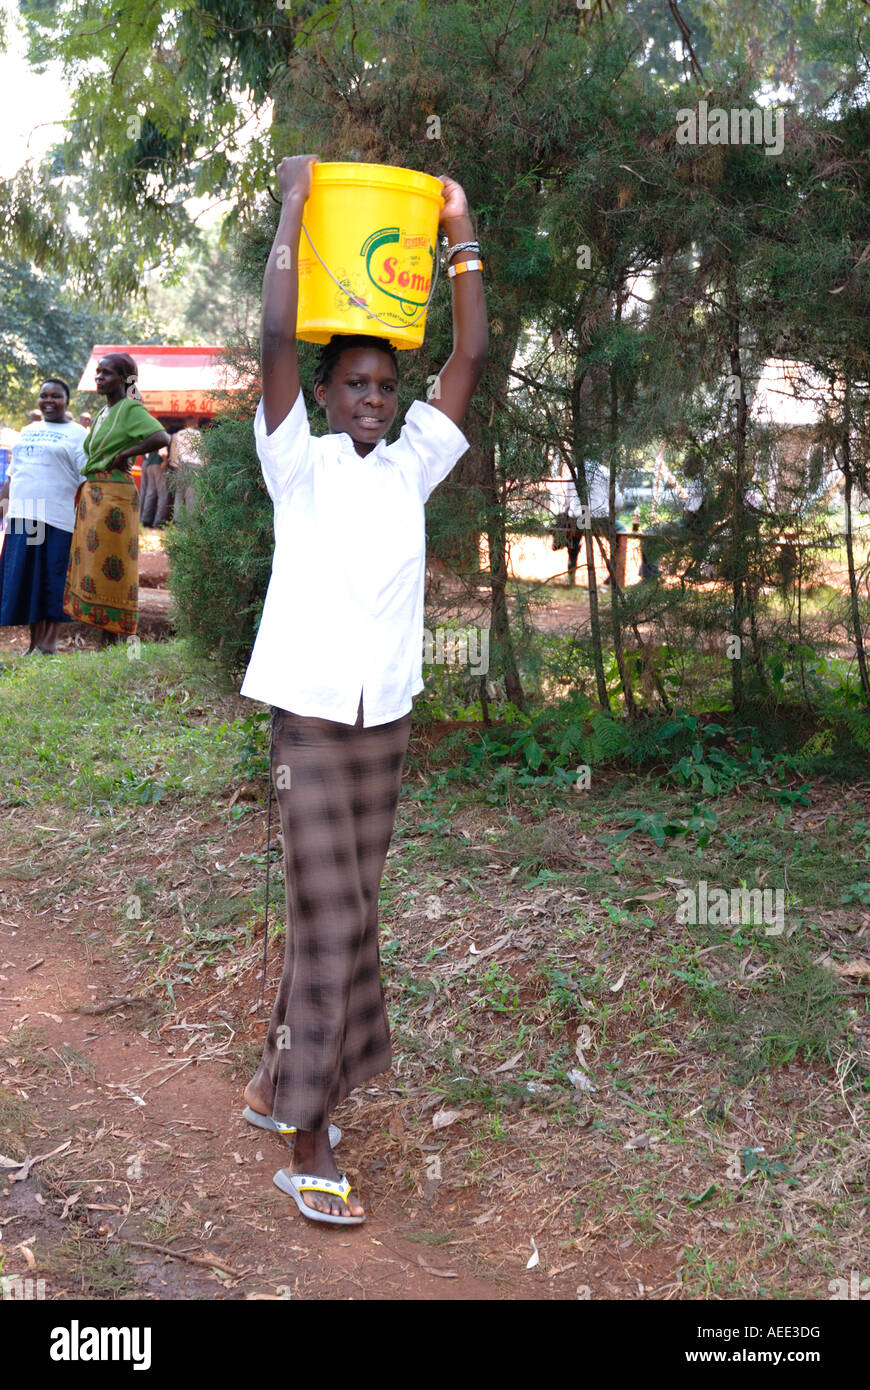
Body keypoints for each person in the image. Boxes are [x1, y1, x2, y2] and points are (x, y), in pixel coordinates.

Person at [240, 153, 487, 1226]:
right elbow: (271, 341)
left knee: (345, 914)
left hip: (383, 723)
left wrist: (460, 231)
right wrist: (296, 206)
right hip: (307, 720)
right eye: (355, 385)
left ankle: (273, 1079)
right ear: (325, 392)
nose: (374, 400)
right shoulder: (297, 461)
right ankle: (310, 1132)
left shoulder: (414, 460)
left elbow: (471, 350)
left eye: (387, 384)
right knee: (333, 921)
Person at [63, 353, 169, 640]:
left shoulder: (130, 409)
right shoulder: (102, 413)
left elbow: (162, 438)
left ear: (124, 380)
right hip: (95, 495)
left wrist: (124, 454)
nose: (99, 378)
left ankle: (113, 636)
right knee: (94, 563)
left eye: (106, 374)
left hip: (115, 498)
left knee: (114, 563)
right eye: (97, 373)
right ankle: (103, 634)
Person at [0, 379, 87, 654]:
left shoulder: (78, 434)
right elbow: (13, 473)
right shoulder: (28, 430)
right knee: (29, 578)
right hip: (23, 516)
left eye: (56, 396)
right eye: (43, 396)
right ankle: (34, 642)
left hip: (55, 517)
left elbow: (85, 479)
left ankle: (49, 642)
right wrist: (3, 505)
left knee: (53, 576)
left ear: (67, 401)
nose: (49, 401)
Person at [169, 416, 203, 520]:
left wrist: (175, 465)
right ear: (194, 424)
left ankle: (177, 520)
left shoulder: (178, 434)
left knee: (179, 493)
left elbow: (173, 453)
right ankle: (191, 521)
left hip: (181, 466)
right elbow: (204, 453)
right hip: (195, 466)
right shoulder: (199, 435)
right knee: (192, 494)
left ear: (186, 424)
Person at [139, 445, 170, 529]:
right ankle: (159, 521)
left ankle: (145, 520)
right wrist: (165, 461)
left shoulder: (151, 434)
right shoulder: (161, 434)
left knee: (150, 493)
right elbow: (162, 452)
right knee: (163, 494)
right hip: (158, 464)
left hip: (149, 464)